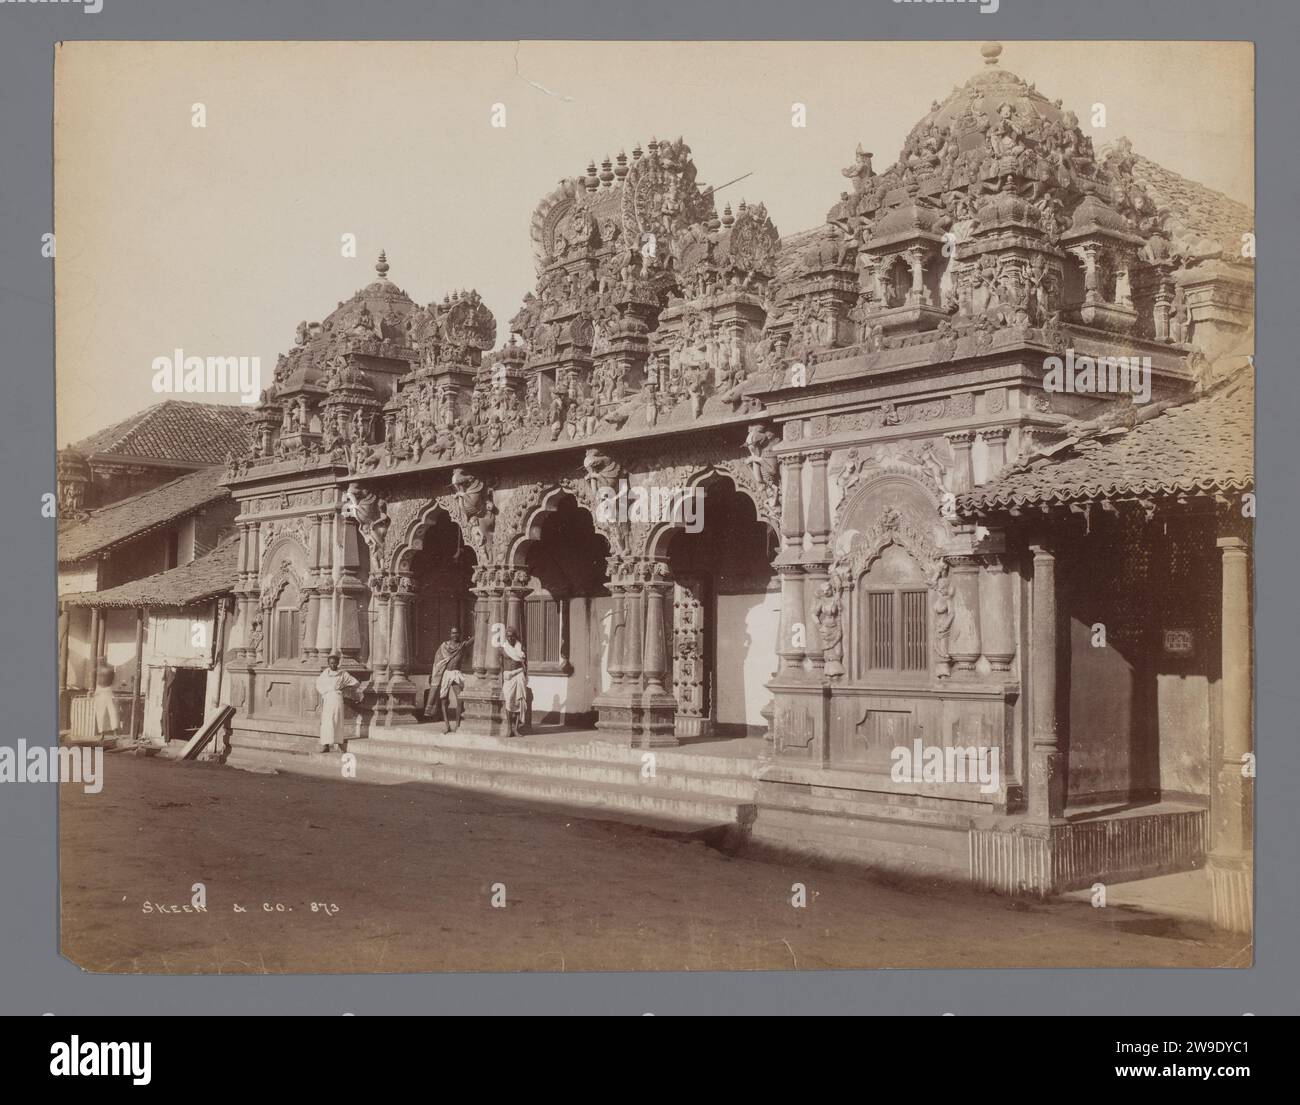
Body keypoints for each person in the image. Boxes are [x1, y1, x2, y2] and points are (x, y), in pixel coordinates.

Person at [426, 626, 473, 733]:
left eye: (457, 633)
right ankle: (447, 725)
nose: (455, 635)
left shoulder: (462, 645)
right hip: (446, 674)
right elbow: (438, 661)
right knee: (444, 700)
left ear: (459, 634)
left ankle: (457, 725)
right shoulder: (444, 646)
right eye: (453, 633)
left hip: (456, 674)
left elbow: (473, 639)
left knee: (460, 700)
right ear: (450, 634)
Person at [316, 652, 359, 753]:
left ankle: (339, 743)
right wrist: (325, 693)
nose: (333, 665)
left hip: (338, 699)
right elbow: (318, 684)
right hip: (328, 699)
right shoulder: (325, 674)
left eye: (335, 663)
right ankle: (326, 745)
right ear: (328, 663)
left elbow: (355, 683)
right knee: (327, 721)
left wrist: (345, 688)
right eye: (331, 663)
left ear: (338, 663)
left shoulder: (343, 674)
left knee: (337, 721)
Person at [499, 626, 528, 738]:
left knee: (518, 702)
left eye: (512, 636)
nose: (510, 638)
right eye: (508, 636)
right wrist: (502, 679)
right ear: (506, 637)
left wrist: (525, 677)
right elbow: (501, 665)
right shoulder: (503, 648)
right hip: (508, 678)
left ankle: (515, 729)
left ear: (515, 637)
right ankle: (509, 729)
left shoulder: (520, 648)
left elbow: (525, 664)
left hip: (519, 676)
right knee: (509, 702)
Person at [92, 657, 119, 738]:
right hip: (100, 690)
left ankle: (114, 732)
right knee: (102, 713)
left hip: (107, 690)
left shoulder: (108, 670)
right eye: (100, 661)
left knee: (112, 712)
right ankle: (102, 733)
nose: (100, 662)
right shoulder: (97, 670)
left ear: (105, 661)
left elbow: (113, 680)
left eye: (101, 661)